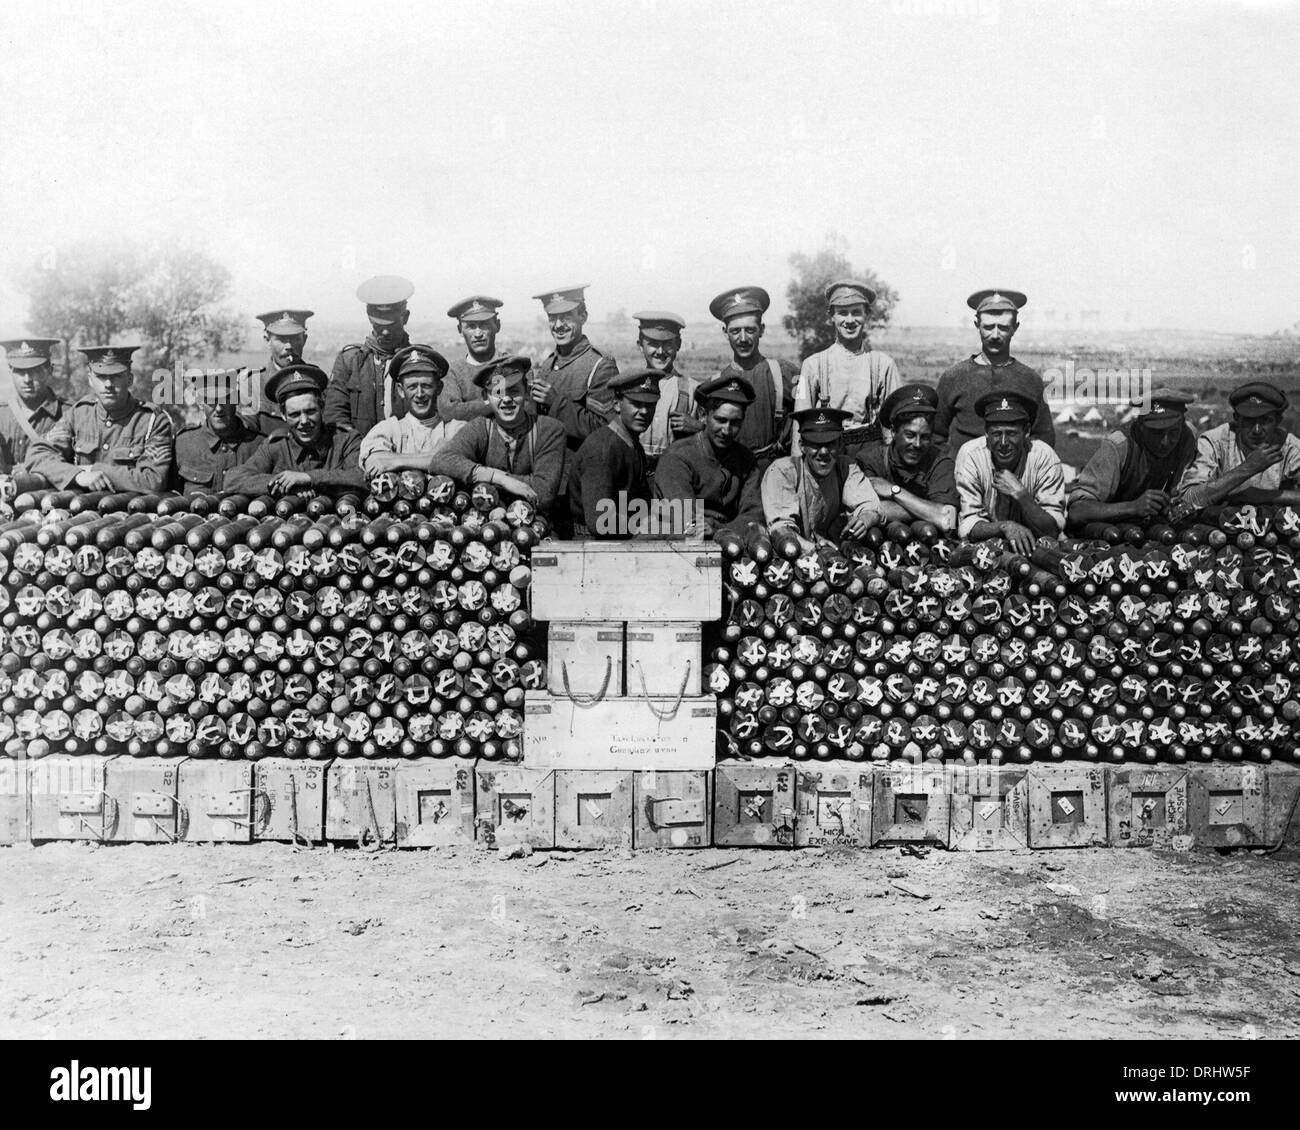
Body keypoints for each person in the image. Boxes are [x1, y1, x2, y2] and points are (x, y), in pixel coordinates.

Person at [427, 355, 567, 516]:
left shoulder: (549, 429)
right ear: (486, 397)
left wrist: (477, 478)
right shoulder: (480, 427)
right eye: (498, 392)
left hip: (536, 525)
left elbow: (543, 493)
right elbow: (441, 460)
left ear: (527, 393)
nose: (506, 399)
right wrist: (499, 478)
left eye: (514, 391)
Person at [25, 345, 174, 493]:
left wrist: (94, 469)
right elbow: (39, 453)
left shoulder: (152, 421)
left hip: (133, 511)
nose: (108, 384)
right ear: (90, 379)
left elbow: (153, 480)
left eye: (116, 376)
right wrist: (77, 475)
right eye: (101, 377)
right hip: (80, 509)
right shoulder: (79, 415)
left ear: (129, 379)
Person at [934, 289, 1054, 452]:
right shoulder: (953, 377)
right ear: (977, 325)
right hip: (962, 474)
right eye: (988, 327)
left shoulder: (1030, 380)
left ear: (1015, 328)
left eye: (1003, 327)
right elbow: (935, 436)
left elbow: (1044, 438)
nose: (995, 335)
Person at [792, 279, 900, 458]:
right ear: (831, 317)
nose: (850, 320)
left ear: (867, 315)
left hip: (871, 453)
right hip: (826, 452)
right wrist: (798, 469)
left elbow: (893, 424)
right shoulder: (813, 365)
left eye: (856, 312)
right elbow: (800, 423)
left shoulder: (883, 364)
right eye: (842, 313)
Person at [1067, 387, 1198, 530]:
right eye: (1157, 433)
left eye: (1173, 432)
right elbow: (1077, 511)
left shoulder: (1188, 436)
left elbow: (1182, 487)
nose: (1165, 441)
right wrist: (1133, 507)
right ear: (1141, 426)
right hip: (1109, 532)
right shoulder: (1118, 446)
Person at [225, 363, 365, 497]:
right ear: (283, 415)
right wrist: (285, 484)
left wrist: (309, 478)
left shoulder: (346, 440)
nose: (304, 421)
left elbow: (361, 477)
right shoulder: (276, 446)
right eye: (294, 414)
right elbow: (233, 479)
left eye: (310, 412)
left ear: (322, 407)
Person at [955, 390, 1066, 554]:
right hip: (986, 549)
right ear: (986, 432)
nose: (1004, 443)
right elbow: (968, 525)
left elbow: (1051, 530)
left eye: (1012, 433)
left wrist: (1021, 494)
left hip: (1036, 547)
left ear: (1026, 431)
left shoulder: (1044, 457)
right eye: (996, 434)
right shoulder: (971, 455)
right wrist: (1005, 527)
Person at [654, 374, 764, 538]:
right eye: (720, 420)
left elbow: (754, 515)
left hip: (725, 538)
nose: (727, 431)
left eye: (735, 422)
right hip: (677, 545)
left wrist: (720, 529)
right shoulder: (678, 457)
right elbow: (686, 521)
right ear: (703, 415)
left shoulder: (745, 459)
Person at [761, 407, 882, 551]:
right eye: (815, 444)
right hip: (790, 553)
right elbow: (780, 527)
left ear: (840, 445)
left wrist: (864, 519)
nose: (824, 452)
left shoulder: (845, 467)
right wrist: (813, 548)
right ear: (802, 446)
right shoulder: (783, 471)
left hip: (830, 551)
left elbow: (870, 505)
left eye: (830, 444)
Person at [1174, 382, 1300, 511]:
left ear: (1278, 421)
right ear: (1237, 419)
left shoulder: (1290, 447)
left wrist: (1266, 496)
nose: (1257, 430)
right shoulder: (1215, 442)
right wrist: (1248, 468)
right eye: (1249, 420)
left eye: (1266, 421)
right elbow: (1188, 498)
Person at [707, 285, 796, 463]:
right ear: (725, 332)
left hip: (776, 469)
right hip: (733, 473)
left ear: (761, 330)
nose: (743, 339)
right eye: (735, 331)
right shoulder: (715, 383)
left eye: (750, 330)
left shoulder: (784, 373)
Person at [568, 369, 660, 539]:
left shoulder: (630, 443)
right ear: (617, 404)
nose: (644, 412)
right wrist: (648, 526)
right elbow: (599, 521)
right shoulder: (603, 448)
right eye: (636, 404)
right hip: (591, 547)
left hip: (619, 539)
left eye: (650, 405)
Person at [529, 284, 619, 453]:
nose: (558, 325)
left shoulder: (600, 366)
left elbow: (607, 431)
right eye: (552, 317)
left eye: (566, 316)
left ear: (583, 316)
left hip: (581, 470)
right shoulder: (547, 365)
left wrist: (557, 403)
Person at [856, 383, 957, 532]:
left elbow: (947, 520)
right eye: (909, 435)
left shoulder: (941, 463)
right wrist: (927, 509)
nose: (917, 444)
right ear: (893, 431)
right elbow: (865, 509)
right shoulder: (870, 461)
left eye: (925, 437)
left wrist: (894, 491)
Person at [324, 275, 414, 436]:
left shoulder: (418, 361)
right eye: (379, 326)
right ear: (369, 319)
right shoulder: (349, 361)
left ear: (405, 317)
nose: (385, 332)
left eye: (392, 325)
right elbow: (335, 416)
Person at [358, 345, 463, 477]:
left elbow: (452, 462)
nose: (419, 394)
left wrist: (393, 461)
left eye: (426, 386)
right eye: (412, 387)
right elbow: (373, 463)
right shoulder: (387, 429)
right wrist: (432, 457)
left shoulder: (455, 429)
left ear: (439, 388)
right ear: (401, 390)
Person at [173, 370, 266, 495]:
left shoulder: (259, 445)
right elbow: (170, 494)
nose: (218, 409)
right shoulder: (183, 444)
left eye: (225, 400)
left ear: (236, 400)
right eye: (211, 401)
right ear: (201, 403)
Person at [632, 310, 701, 467]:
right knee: (622, 492)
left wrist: (698, 429)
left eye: (668, 343)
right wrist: (622, 491)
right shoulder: (629, 387)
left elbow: (714, 439)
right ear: (640, 346)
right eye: (653, 344)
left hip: (675, 476)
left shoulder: (693, 390)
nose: (660, 352)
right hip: (633, 477)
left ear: (678, 345)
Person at [0, 338, 70, 474]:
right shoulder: (1, 415)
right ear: (10, 372)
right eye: (20, 372)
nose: (27, 380)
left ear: (50, 370)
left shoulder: (69, 413)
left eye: (35, 371)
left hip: (49, 493)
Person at [440, 295, 510, 422]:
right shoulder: (452, 372)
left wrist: (470, 407)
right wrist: (495, 401)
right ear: (460, 329)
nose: (478, 334)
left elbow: (527, 407)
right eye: (471, 326)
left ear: (497, 326)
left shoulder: (513, 365)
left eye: (484, 325)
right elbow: (449, 412)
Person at [248, 308, 313, 433]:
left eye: (294, 338)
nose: (288, 346)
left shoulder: (317, 381)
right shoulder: (252, 384)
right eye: (281, 339)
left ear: (304, 340)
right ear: (267, 340)